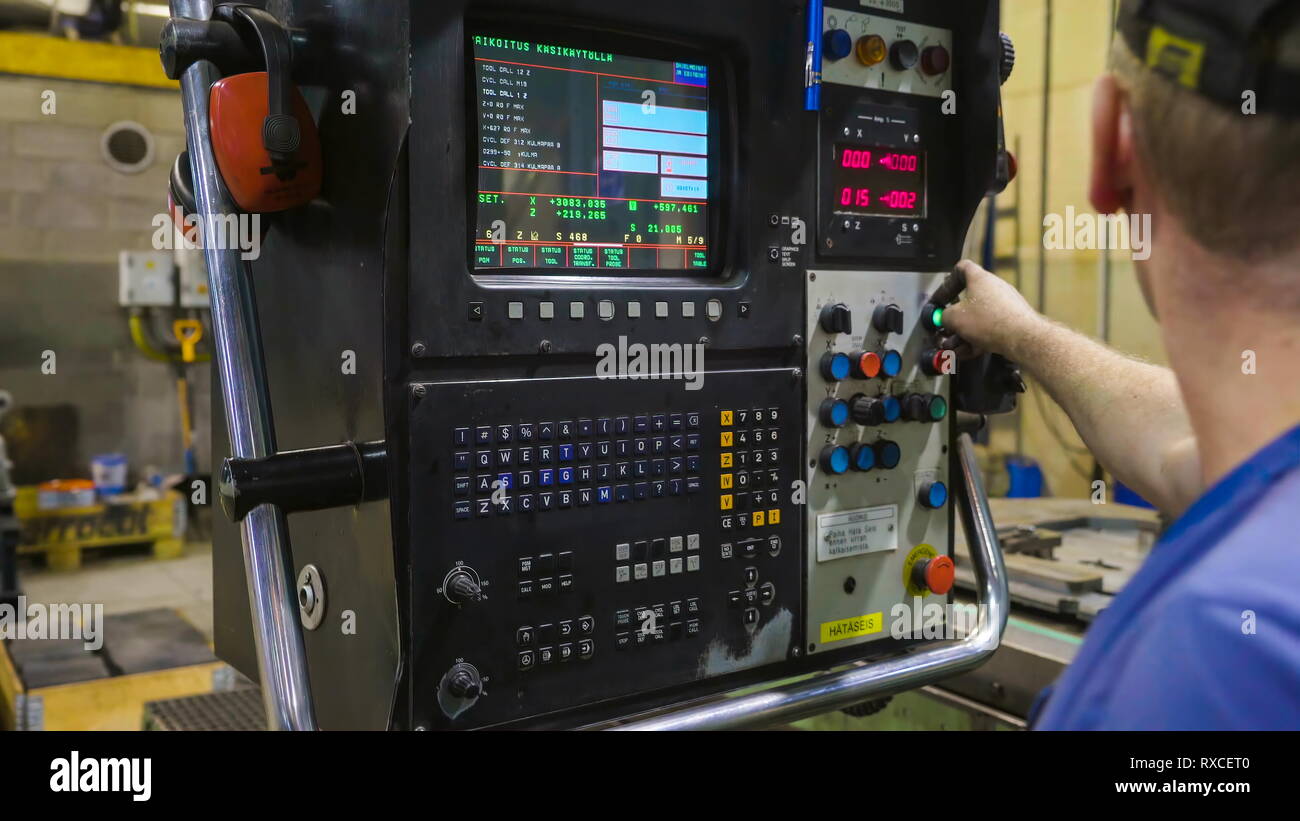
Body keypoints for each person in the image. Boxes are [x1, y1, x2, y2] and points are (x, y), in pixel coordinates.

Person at [939, 0, 1300, 729]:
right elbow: (1191, 452)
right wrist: (1023, 333)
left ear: (1111, 148)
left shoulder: (1210, 657)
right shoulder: (1265, 473)